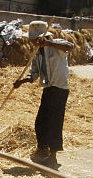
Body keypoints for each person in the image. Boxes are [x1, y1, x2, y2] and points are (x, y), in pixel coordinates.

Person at [13, 20, 75, 169]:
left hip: (60, 88)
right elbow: (34, 74)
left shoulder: (55, 44)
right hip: (48, 88)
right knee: (41, 121)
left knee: (55, 122)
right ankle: (43, 149)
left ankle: (53, 157)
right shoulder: (37, 54)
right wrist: (21, 81)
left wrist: (49, 44)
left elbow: (70, 47)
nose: (32, 42)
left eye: (33, 39)